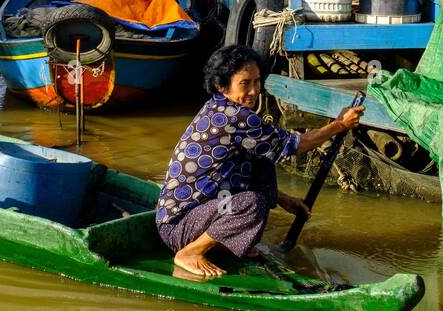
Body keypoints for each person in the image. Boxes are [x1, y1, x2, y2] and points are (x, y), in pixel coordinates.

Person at [155, 45, 365, 278]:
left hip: (205, 209)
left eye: (257, 82)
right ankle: (190, 252)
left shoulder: (224, 107)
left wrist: (282, 199)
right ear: (221, 85)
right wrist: (339, 125)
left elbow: (266, 152)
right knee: (250, 203)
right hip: (179, 226)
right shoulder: (234, 116)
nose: (254, 91)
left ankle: (228, 242)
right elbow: (296, 145)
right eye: (245, 84)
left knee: (263, 161)